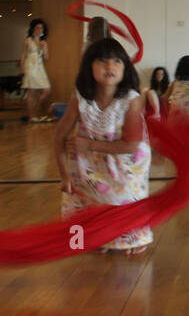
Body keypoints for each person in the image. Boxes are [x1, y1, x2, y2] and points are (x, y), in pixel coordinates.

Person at [53, 38, 152, 255]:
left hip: (126, 162)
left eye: (117, 61)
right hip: (91, 163)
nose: (110, 67)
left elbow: (132, 145)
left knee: (123, 200)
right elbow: (59, 136)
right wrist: (65, 176)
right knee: (88, 199)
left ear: (125, 68)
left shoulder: (131, 100)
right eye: (102, 61)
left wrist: (88, 144)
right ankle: (101, 237)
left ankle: (133, 238)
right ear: (89, 67)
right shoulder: (81, 99)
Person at [22, 19, 53, 122]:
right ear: (33, 29)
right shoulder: (28, 40)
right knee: (31, 91)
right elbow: (23, 55)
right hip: (30, 66)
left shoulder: (43, 42)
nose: (39, 30)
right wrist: (22, 68)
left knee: (46, 90)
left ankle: (38, 112)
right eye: (37, 27)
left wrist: (43, 48)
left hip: (39, 67)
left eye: (41, 28)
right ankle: (32, 116)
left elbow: (46, 58)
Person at [165, 56, 189, 125]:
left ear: (179, 69)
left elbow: (164, 98)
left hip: (176, 114)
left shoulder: (175, 83)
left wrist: (168, 110)